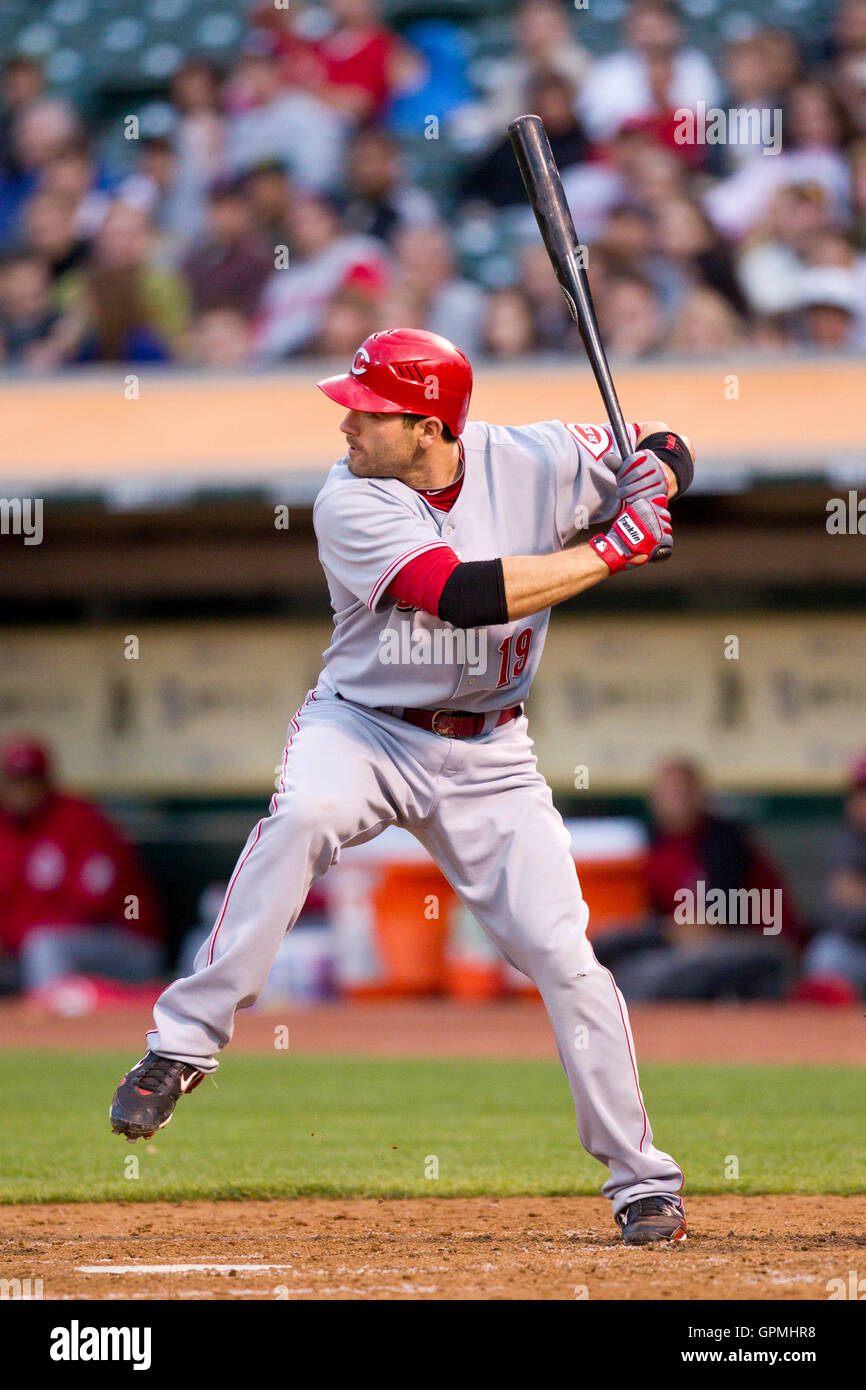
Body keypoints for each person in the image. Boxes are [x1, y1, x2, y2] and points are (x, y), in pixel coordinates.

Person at [110, 326, 697, 1248]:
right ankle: (183, 1044)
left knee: (566, 958)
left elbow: (664, 443)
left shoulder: (533, 455)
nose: (344, 426)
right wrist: (610, 552)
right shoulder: (350, 500)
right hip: (368, 726)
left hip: (492, 754)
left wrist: (653, 482)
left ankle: (641, 1183)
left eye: (366, 413)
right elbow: (464, 594)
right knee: (303, 814)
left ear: (428, 426)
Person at [596, 759, 802, 1000]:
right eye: (666, 795)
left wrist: (656, 933)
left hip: (763, 946)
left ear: (700, 796)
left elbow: (707, 926)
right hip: (692, 949)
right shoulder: (656, 847)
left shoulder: (723, 841)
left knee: (655, 976)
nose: (675, 803)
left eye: (682, 793)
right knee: (617, 961)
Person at [0, 737, 162, 994]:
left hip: (126, 941)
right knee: (39, 946)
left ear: (47, 782)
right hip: (22, 949)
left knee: (44, 947)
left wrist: (13, 936)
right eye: (15, 781)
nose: (22, 791)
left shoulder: (82, 820)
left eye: (31, 781)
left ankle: (49, 1031)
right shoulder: (5, 828)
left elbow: (92, 908)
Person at [799, 754, 866, 998]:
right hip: (858, 950)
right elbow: (837, 915)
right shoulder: (851, 841)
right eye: (860, 794)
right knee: (827, 955)